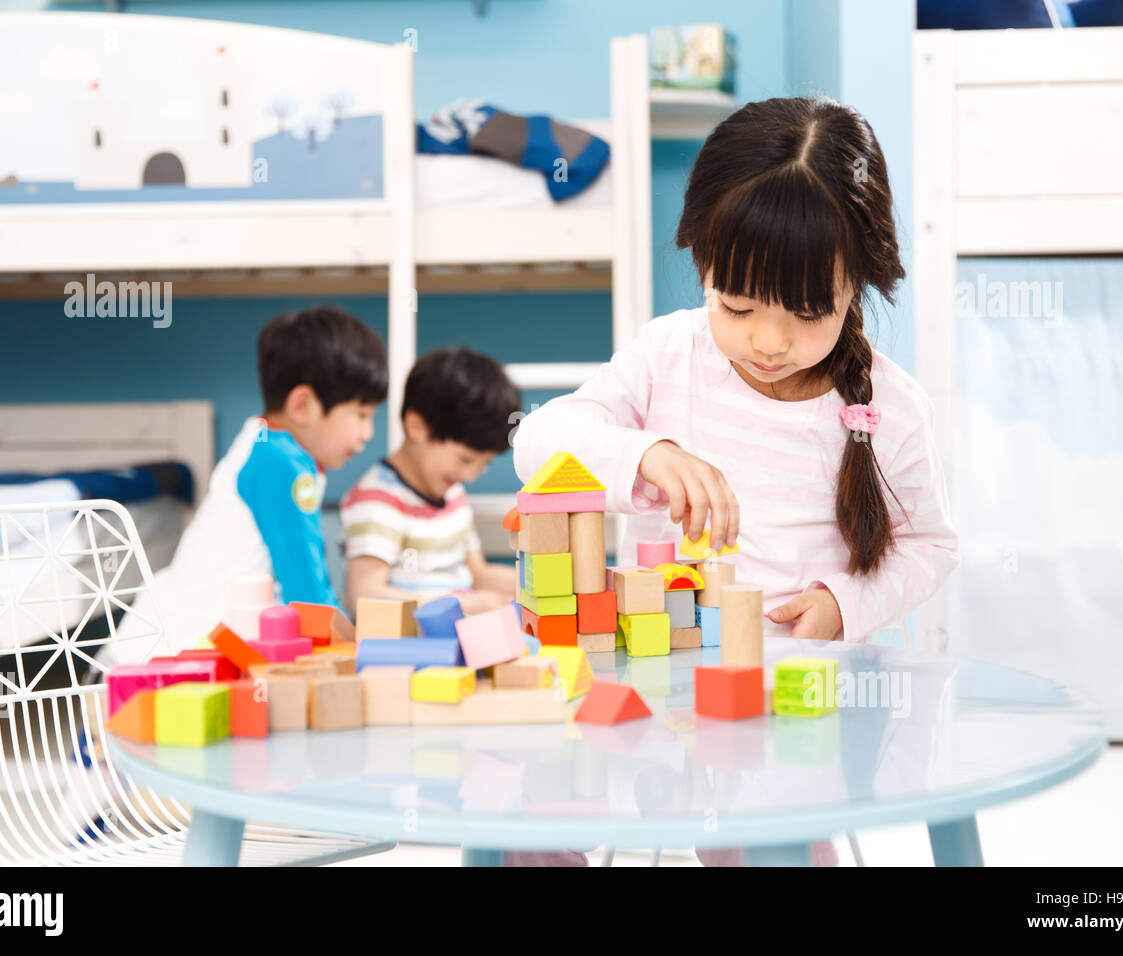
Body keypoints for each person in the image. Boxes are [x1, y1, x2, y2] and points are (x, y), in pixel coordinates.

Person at [512, 97, 961, 865]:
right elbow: (536, 441)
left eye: (808, 312)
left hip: (791, 709)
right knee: (531, 817)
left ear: (860, 281)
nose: (768, 341)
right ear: (702, 265)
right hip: (651, 689)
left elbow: (930, 545)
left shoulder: (891, 408)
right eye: (738, 304)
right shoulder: (668, 357)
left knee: (763, 839)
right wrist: (646, 454)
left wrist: (843, 605)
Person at [126, 303, 386, 656]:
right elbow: (308, 595)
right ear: (302, 406)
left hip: (171, 636)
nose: (368, 433)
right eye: (361, 414)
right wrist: (363, 651)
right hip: (183, 651)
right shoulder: (282, 464)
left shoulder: (266, 445)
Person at [342, 347, 520, 617]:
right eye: (465, 459)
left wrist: (536, 584)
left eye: (484, 463)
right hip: (409, 640)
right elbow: (363, 596)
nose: (470, 476)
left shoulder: (453, 494)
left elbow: (479, 574)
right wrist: (462, 606)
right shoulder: (377, 500)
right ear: (417, 427)